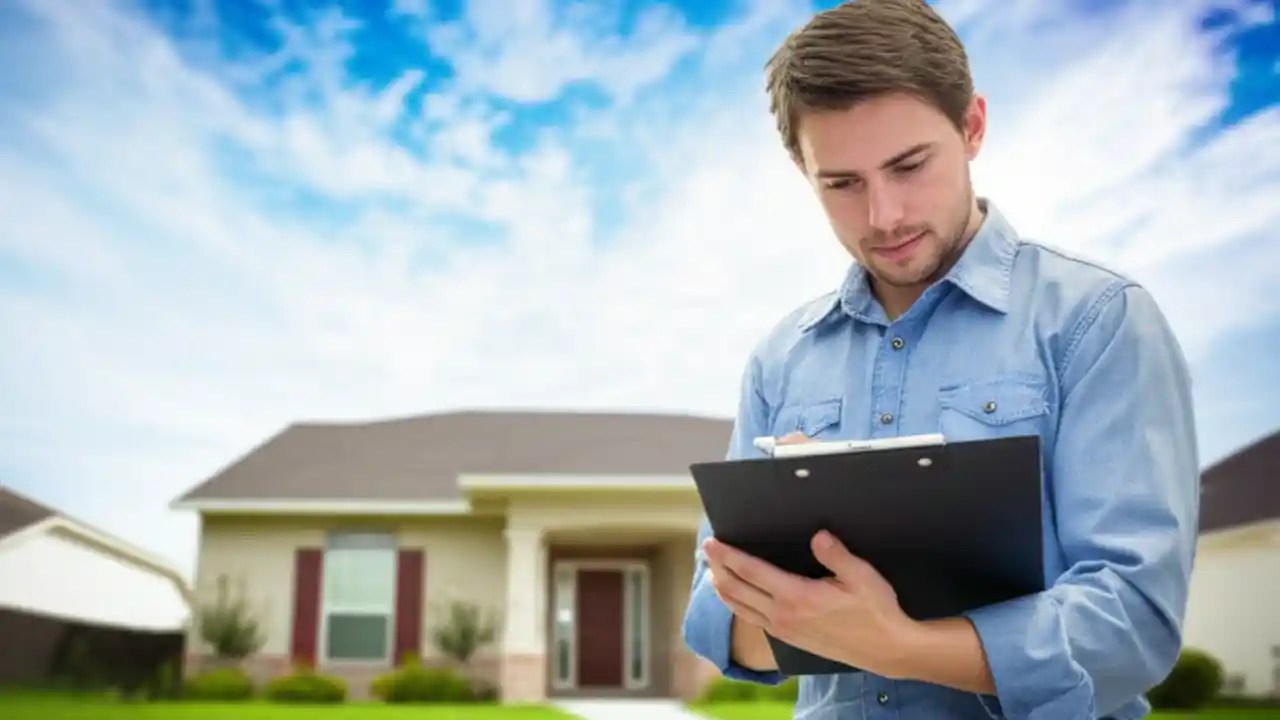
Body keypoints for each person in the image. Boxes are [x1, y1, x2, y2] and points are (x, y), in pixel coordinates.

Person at [680, 1, 1201, 718]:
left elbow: (1133, 620)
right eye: (843, 184)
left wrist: (896, 642)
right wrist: (811, 599)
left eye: (909, 165)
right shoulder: (783, 357)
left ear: (972, 127)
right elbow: (715, 618)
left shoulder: (1096, 321)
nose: (884, 215)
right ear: (803, 170)